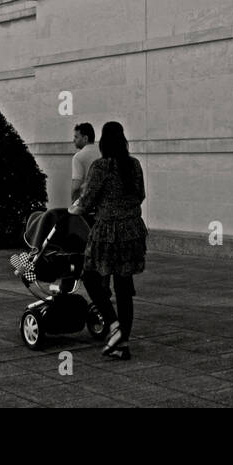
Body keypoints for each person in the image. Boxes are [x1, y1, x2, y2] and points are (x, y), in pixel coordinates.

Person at [70, 121, 146, 360]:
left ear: (103, 142)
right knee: (124, 286)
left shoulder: (101, 166)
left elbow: (88, 199)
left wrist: (75, 210)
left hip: (107, 232)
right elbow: (140, 195)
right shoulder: (133, 165)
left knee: (91, 277)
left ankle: (113, 325)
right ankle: (122, 344)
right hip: (132, 231)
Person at [70, 123, 100, 214]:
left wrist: (73, 205)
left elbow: (76, 186)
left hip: (87, 206)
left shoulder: (78, 157)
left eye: (76, 137)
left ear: (85, 138)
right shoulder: (102, 151)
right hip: (103, 204)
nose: (73, 140)